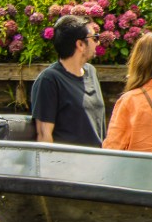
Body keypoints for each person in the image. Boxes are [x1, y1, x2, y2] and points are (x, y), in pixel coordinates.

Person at [30, 15, 106, 146]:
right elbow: (44, 136)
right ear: (80, 44)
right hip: (68, 163)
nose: (97, 42)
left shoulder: (91, 72)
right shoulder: (49, 80)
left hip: (97, 161)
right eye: (94, 38)